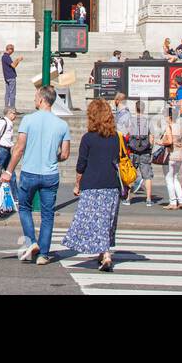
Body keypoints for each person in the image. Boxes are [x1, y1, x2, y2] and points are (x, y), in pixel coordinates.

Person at [1, 86, 71, 266]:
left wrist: (9, 171)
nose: (34, 100)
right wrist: (52, 157)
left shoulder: (28, 120)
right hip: (50, 174)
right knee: (48, 215)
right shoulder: (62, 124)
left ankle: (32, 241)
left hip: (29, 172)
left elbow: (19, 148)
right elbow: (64, 154)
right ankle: (44, 254)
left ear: (41, 100)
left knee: (25, 207)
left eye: (35, 97)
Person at [65, 98, 121, 272]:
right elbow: (116, 160)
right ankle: (103, 252)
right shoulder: (115, 138)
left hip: (92, 184)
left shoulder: (88, 138)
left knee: (92, 221)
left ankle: (105, 255)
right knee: (106, 221)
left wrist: (77, 184)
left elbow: (82, 164)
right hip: (111, 184)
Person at [159, 107, 182, 210]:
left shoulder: (169, 127)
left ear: (169, 117)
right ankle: (181, 201)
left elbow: (169, 141)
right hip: (179, 154)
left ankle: (173, 202)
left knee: (169, 179)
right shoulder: (179, 126)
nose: (164, 118)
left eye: (165, 116)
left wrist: (159, 142)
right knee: (175, 178)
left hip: (170, 155)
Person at [124, 99, 154, 205]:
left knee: (130, 175)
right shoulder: (148, 121)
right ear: (144, 109)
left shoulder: (130, 121)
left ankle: (128, 199)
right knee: (147, 176)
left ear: (135, 108)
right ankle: (149, 199)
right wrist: (150, 148)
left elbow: (126, 135)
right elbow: (151, 137)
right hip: (145, 151)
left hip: (133, 151)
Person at [0, 44, 22, 111]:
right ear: (9, 49)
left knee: (7, 93)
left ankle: (6, 107)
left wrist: (17, 61)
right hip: (11, 77)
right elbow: (13, 65)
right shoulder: (6, 57)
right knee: (12, 93)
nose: (13, 51)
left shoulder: (4, 57)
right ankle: (12, 108)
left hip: (7, 77)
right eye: (13, 50)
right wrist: (18, 60)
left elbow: (13, 65)